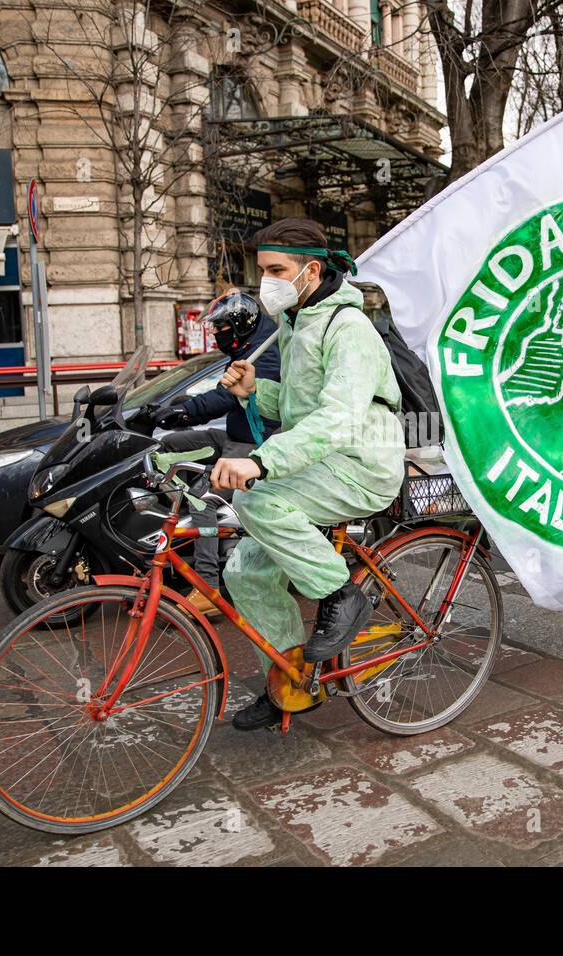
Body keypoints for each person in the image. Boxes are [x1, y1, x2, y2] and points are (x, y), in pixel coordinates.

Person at [210, 218, 405, 731]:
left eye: (277, 270)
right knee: (244, 573)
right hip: (321, 463)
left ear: (311, 270)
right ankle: (291, 684)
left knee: (256, 499)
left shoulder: (349, 328)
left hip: (362, 465)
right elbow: (305, 410)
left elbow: (339, 419)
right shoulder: (296, 323)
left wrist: (260, 462)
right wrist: (257, 391)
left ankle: (342, 596)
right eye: (263, 272)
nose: (266, 282)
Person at [155, 290, 280, 617]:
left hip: (255, 444)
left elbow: (226, 398)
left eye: (221, 326)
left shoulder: (263, 353)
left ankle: (206, 586)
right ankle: (174, 531)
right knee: (166, 446)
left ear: (240, 325)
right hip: (235, 435)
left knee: (202, 499)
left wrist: (186, 412)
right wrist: (163, 410)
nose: (215, 333)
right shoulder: (247, 345)